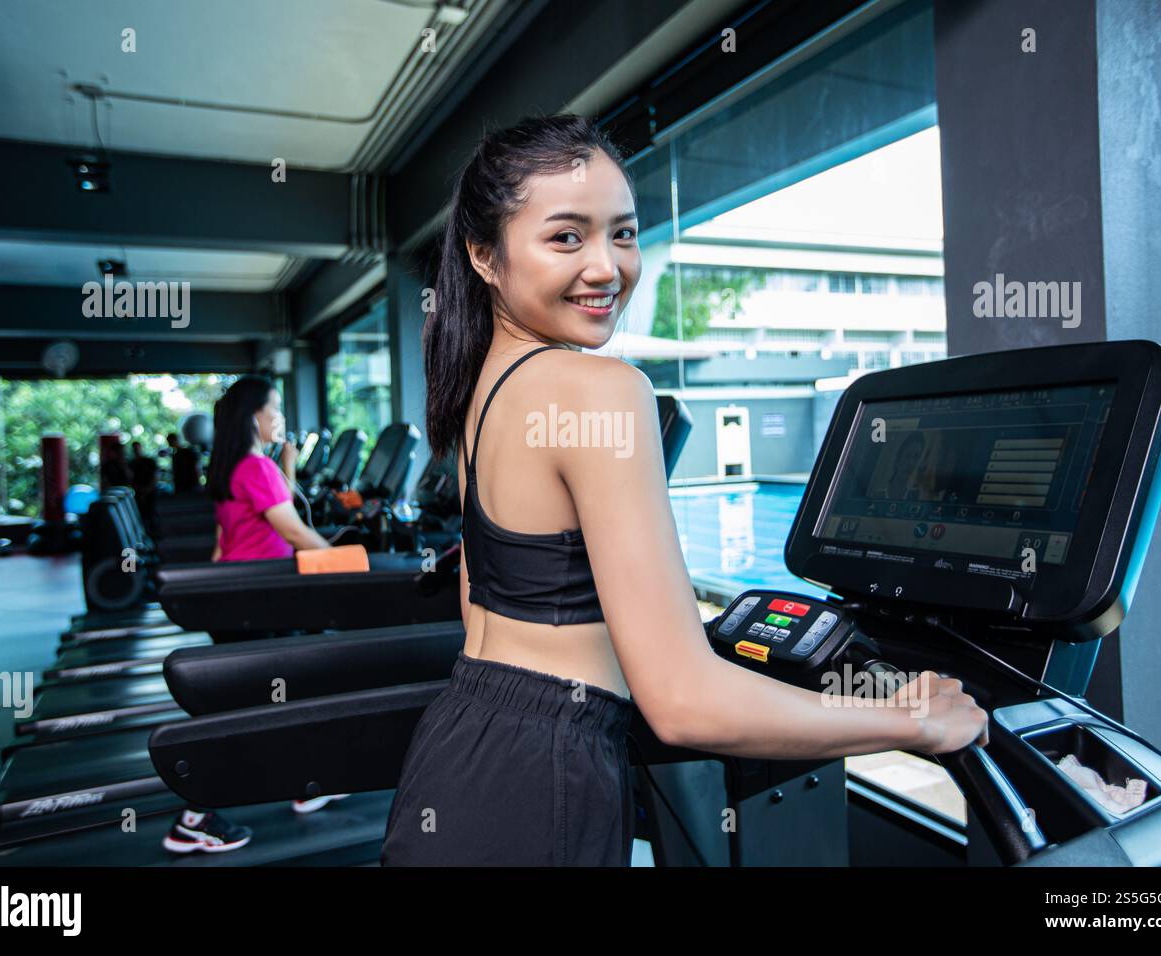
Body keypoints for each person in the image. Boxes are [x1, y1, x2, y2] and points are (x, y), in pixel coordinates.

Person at [380, 114, 988, 866]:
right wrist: (909, 724)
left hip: (463, 744)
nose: (606, 267)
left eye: (624, 234)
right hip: (541, 778)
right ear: (484, 255)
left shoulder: (484, 391)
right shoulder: (599, 390)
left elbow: (501, 599)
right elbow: (682, 702)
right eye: (566, 237)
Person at [161, 376, 337, 854]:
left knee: (278, 699)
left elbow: (230, 543)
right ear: (254, 416)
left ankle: (305, 782)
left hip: (241, 601)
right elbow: (298, 534)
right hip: (261, 601)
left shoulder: (234, 468)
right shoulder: (252, 467)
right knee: (257, 709)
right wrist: (349, 567)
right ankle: (194, 817)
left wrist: (288, 465)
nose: (280, 415)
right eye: (275, 406)